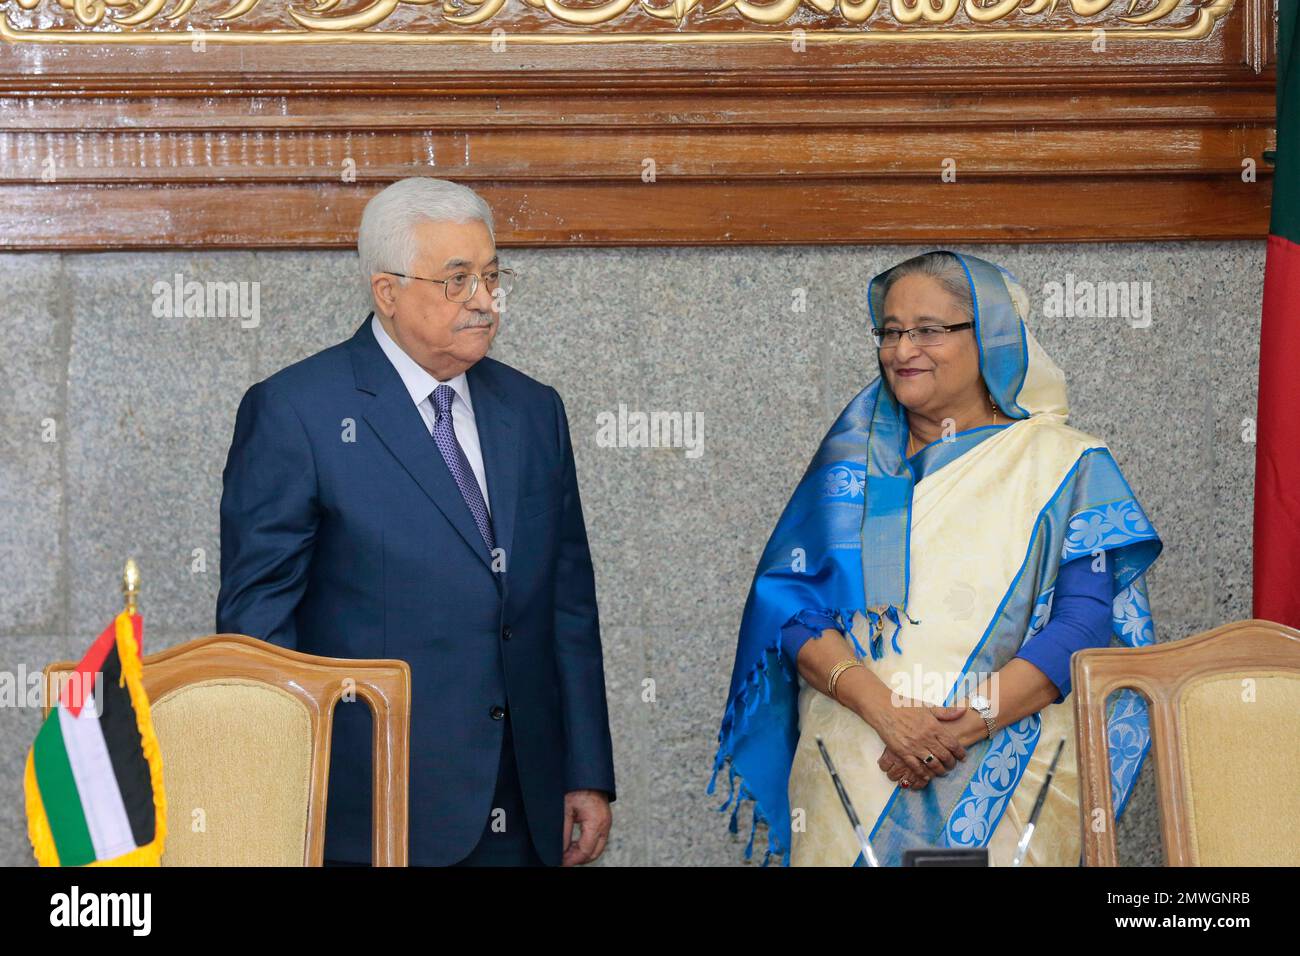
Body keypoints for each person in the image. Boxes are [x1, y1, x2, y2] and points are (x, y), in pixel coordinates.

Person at [711, 251, 1161, 866]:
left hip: (1007, 767)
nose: (902, 351)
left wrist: (956, 728)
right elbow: (792, 612)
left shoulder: (1066, 464)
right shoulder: (850, 465)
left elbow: (1083, 628)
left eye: (928, 329)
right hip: (854, 763)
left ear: (992, 335)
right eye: (891, 331)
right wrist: (887, 713)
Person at [217, 177, 615, 867]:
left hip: (522, 800)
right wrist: (276, 799)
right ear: (387, 291)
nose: (485, 301)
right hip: (368, 811)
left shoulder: (533, 410)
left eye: (492, 276)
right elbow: (258, 633)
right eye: (457, 281)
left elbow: (566, 603)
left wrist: (584, 769)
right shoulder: (298, 412)